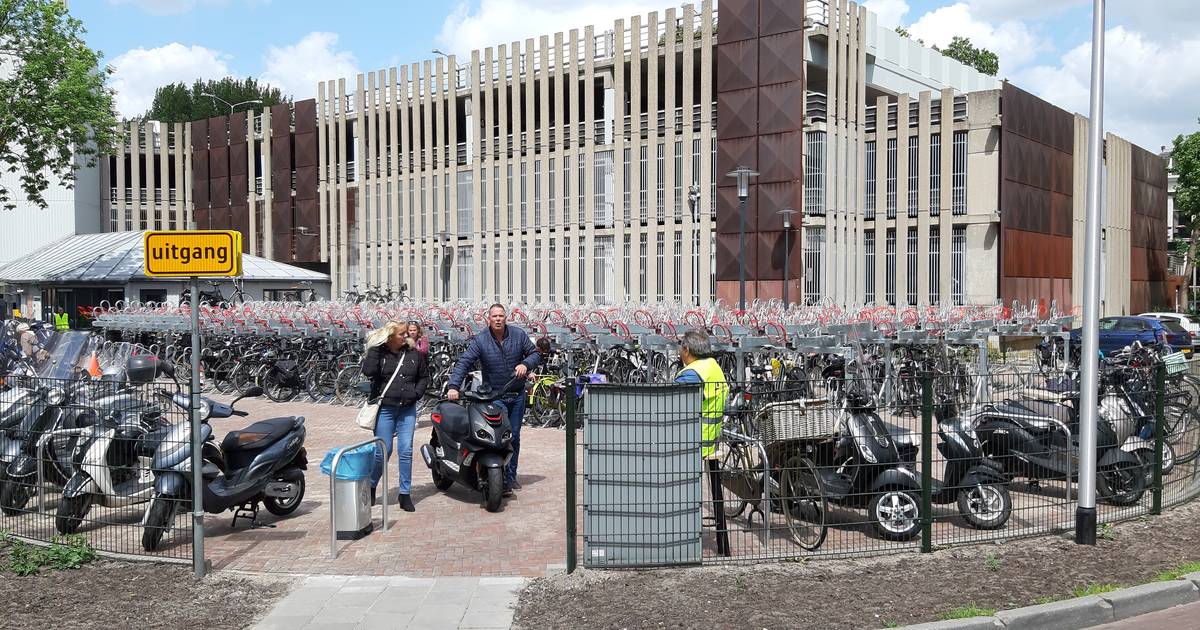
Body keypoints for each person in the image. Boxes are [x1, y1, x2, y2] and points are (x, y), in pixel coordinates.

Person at [446, 303, 541, 494]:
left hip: (517, 395)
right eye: (494, 316)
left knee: (513, 436)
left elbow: (535, 353)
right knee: (497, 437)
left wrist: (525, 364)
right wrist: (454, 386)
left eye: (501, 316)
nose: (498, 319)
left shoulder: (518, 335)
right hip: (495, 397)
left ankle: (510, 477)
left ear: (506, 318)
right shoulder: (481, 340)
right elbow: (465, 362)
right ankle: (494, 475)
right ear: (488, 319)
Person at [361, 321, 430, 512]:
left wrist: (416, 393)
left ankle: (405, 493)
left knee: (406, 450)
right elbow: (368, 371)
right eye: (401, 334)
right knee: (383, 450)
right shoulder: (380, 353)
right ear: (390, 336)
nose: (406, 336)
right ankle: (372, 484)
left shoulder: (414, 354)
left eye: (407, 333)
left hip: (407, 409)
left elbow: (424, 376)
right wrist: (375, 347)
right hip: (386, 408)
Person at [674, 330, 729, 459]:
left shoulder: (693, 374)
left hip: (691, 441)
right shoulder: (713, 366)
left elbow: (671, 405)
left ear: (686, 349)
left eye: (681, 348)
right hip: (710, 440)